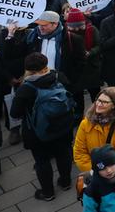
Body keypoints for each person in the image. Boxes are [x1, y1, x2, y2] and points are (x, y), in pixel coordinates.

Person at [8, 52, 75, 201]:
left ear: (27, 69)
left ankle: (48, 192)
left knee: (42, 161)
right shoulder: (58, 76)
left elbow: (15, 113)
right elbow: (71, 91)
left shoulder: (26, 88)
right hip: (63, 126)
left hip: (38, 132)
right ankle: (65, 182)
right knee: (64, 154)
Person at [74, 87, 115, 174]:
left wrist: (108, 171)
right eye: (98, 100)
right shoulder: (86, 123)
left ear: (114, 105)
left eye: (104, 102)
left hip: (114, 172)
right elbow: (79, 152)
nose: (98, 104)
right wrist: (94, 171)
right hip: (93, 172)